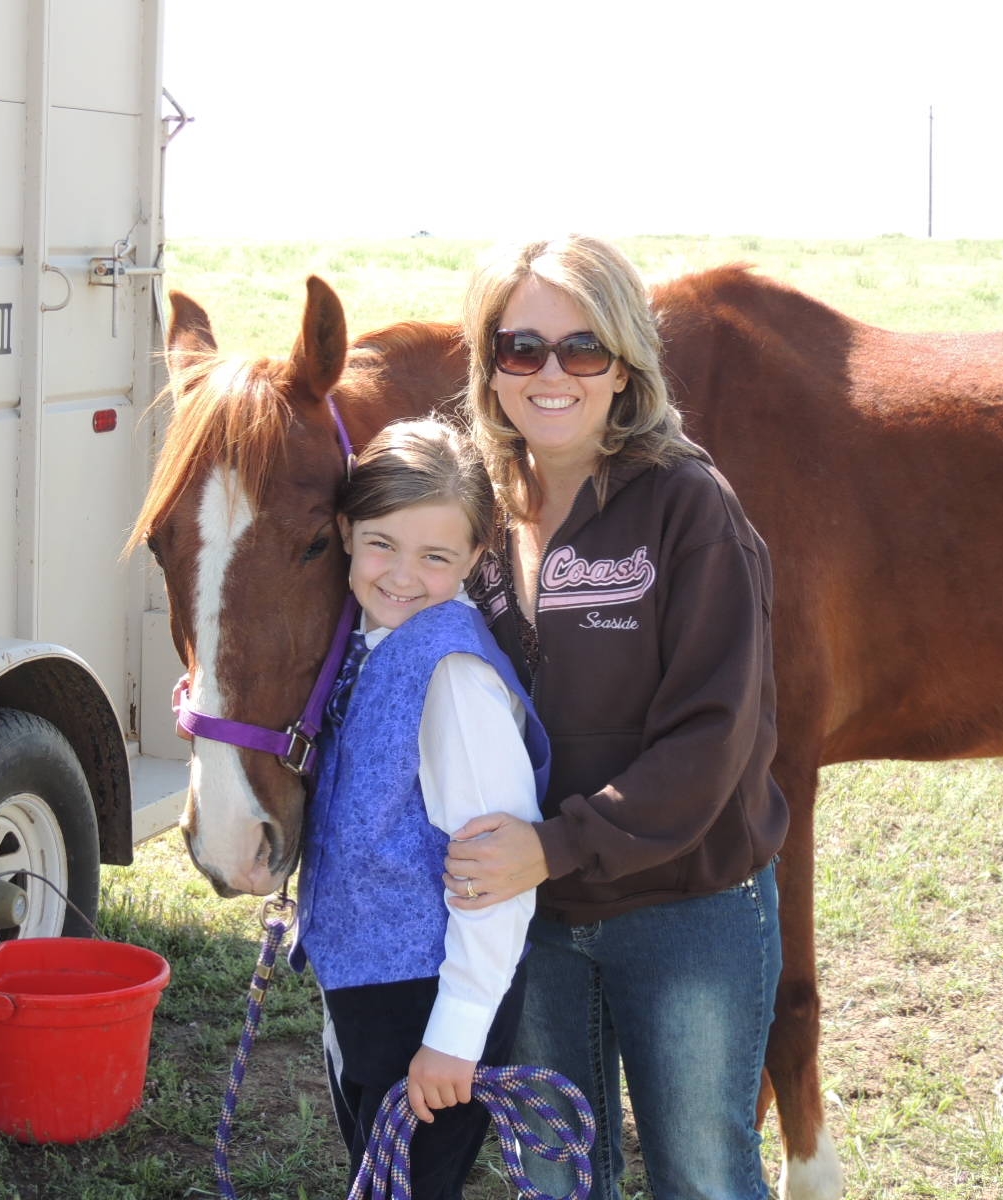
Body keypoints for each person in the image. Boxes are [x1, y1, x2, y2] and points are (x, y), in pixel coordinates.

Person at [444, 235, 790, 1200]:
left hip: (686, 907)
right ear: (490, 365)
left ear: (626, 362)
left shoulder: (690, 509)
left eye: (582, 348)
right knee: (553, 1179)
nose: (551, 374)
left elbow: (712, 739)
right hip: (536, 918)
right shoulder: (472, 511)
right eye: (522, 348)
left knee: (702, 1176)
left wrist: (556, 845)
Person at [291, 417, 551, 1199]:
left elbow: (496, 875)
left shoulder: (453, 680)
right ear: (345, 531)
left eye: (435, 557)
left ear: (475, 556)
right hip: (367, 992)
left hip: (430, 1004)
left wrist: (456, 1035)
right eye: (381, 545)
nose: (402, 575)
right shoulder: (368, 643)